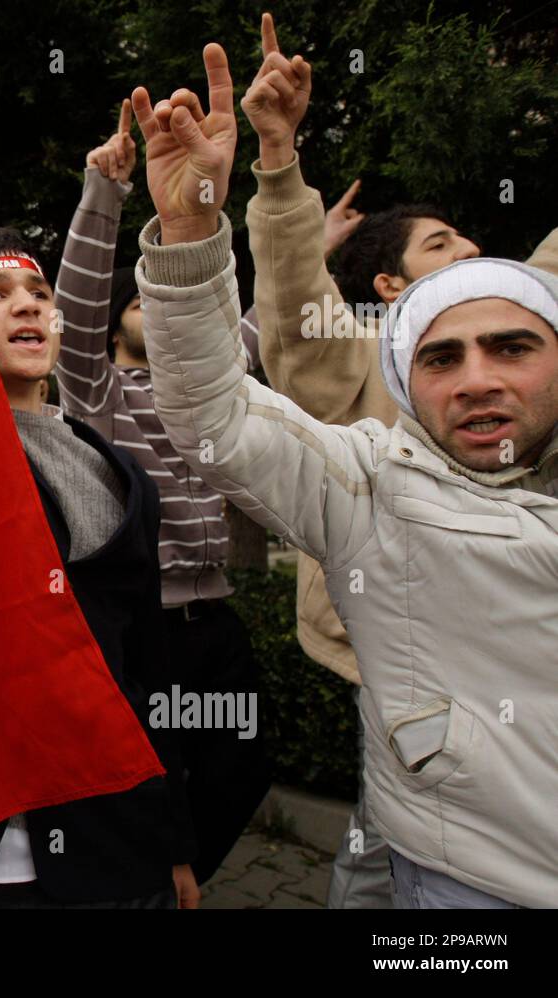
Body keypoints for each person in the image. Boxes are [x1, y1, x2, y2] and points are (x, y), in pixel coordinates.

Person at [129, 40, 558, 908]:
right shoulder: (373, 478)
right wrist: (232, 195)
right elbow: (226, 397)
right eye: (442, 359)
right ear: (403, 368)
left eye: (513, 347)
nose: (478, 378)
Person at [0, 228, 197, 908]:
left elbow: (147, 659)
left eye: (39, 293)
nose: (26, 306)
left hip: (118, 839)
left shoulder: (122, 471)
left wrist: (173, 841)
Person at [53, 101, 268, 886]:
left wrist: (277, 215)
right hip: (149, 633)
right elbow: (73, 315)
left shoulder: (211, 388)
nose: (156, 308)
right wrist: (103, 194)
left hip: (217, 623)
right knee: (158, 786)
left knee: (243, 771)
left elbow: (243, 313)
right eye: (141, 303)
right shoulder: (99, 392)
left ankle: (173, 880)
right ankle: (153, 883)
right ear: (116, 329)